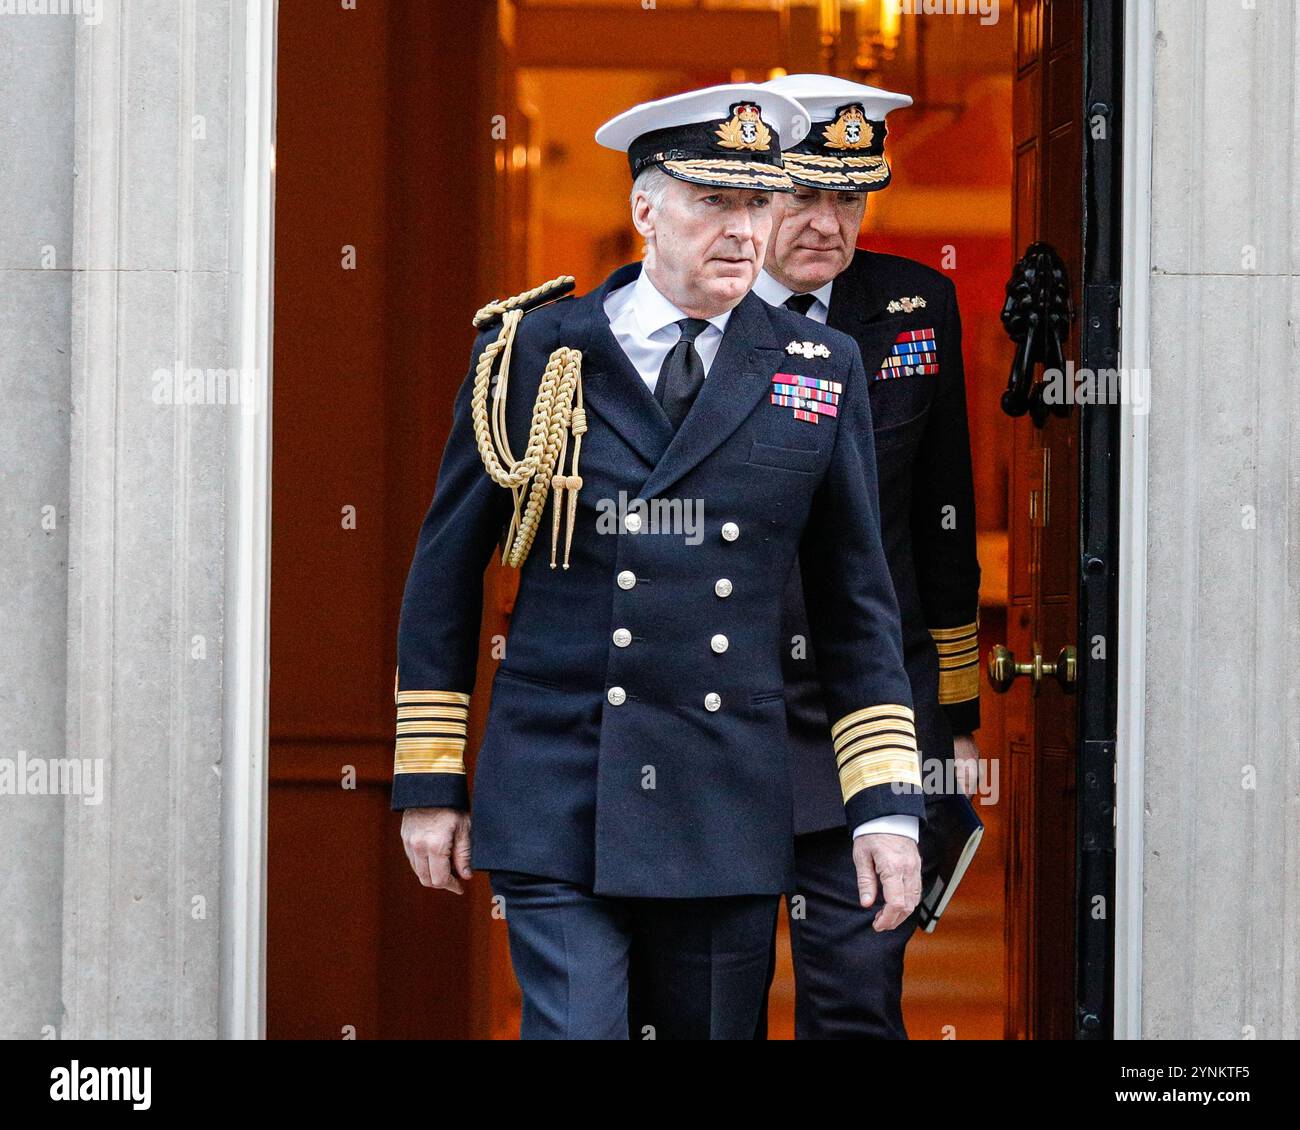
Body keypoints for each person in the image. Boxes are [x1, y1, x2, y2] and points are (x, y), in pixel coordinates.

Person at [391, 82, 925, 1040]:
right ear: (645, 207)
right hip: (563, 781)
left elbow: (857, 605)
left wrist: (885, 807)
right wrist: (430, 778)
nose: (743, 231)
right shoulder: (532, 352)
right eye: (714, 201)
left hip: (724, 796)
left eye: (759, 203)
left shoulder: (817, 364)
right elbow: (444, 571)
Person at [751, 73, 982, 1040]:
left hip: (870, 719)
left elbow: (943, 516)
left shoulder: (914, 308)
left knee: (855, 1004)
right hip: (730, 716)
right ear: (748, 191)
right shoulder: (691, 315)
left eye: (848, 197)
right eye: (804, 193)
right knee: (702, 1007)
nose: (828, 222)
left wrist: (957, 722)